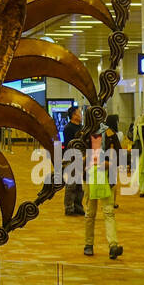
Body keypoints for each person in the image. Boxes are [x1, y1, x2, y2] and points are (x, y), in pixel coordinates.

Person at [83, 130, 122, 260]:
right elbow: (77, 154)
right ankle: (88, 244)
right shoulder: (84, 133)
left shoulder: (110, 134)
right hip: (90, 178)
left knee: (108, 211)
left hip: (107, 177)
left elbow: (119, 154)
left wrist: (109, 164)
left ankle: (113, 245)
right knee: (90, 212)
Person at [62, 106, 84, 216]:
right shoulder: (68, 128)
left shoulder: (82, 127)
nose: (81, 114)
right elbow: (69, 144)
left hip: (81, 158)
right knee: (71, 184)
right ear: (74, 115)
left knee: (79, 185)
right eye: (79, 113)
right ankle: (69, 207)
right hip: (71, 157)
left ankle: (78, 206)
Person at [104, 113, 124, 208]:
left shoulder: (104, 131)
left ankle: (107, 201)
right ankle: (112, 201)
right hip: (112, 160)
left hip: (105, 160)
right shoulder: (116, 133)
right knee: (112, 182)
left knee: (107, 181)